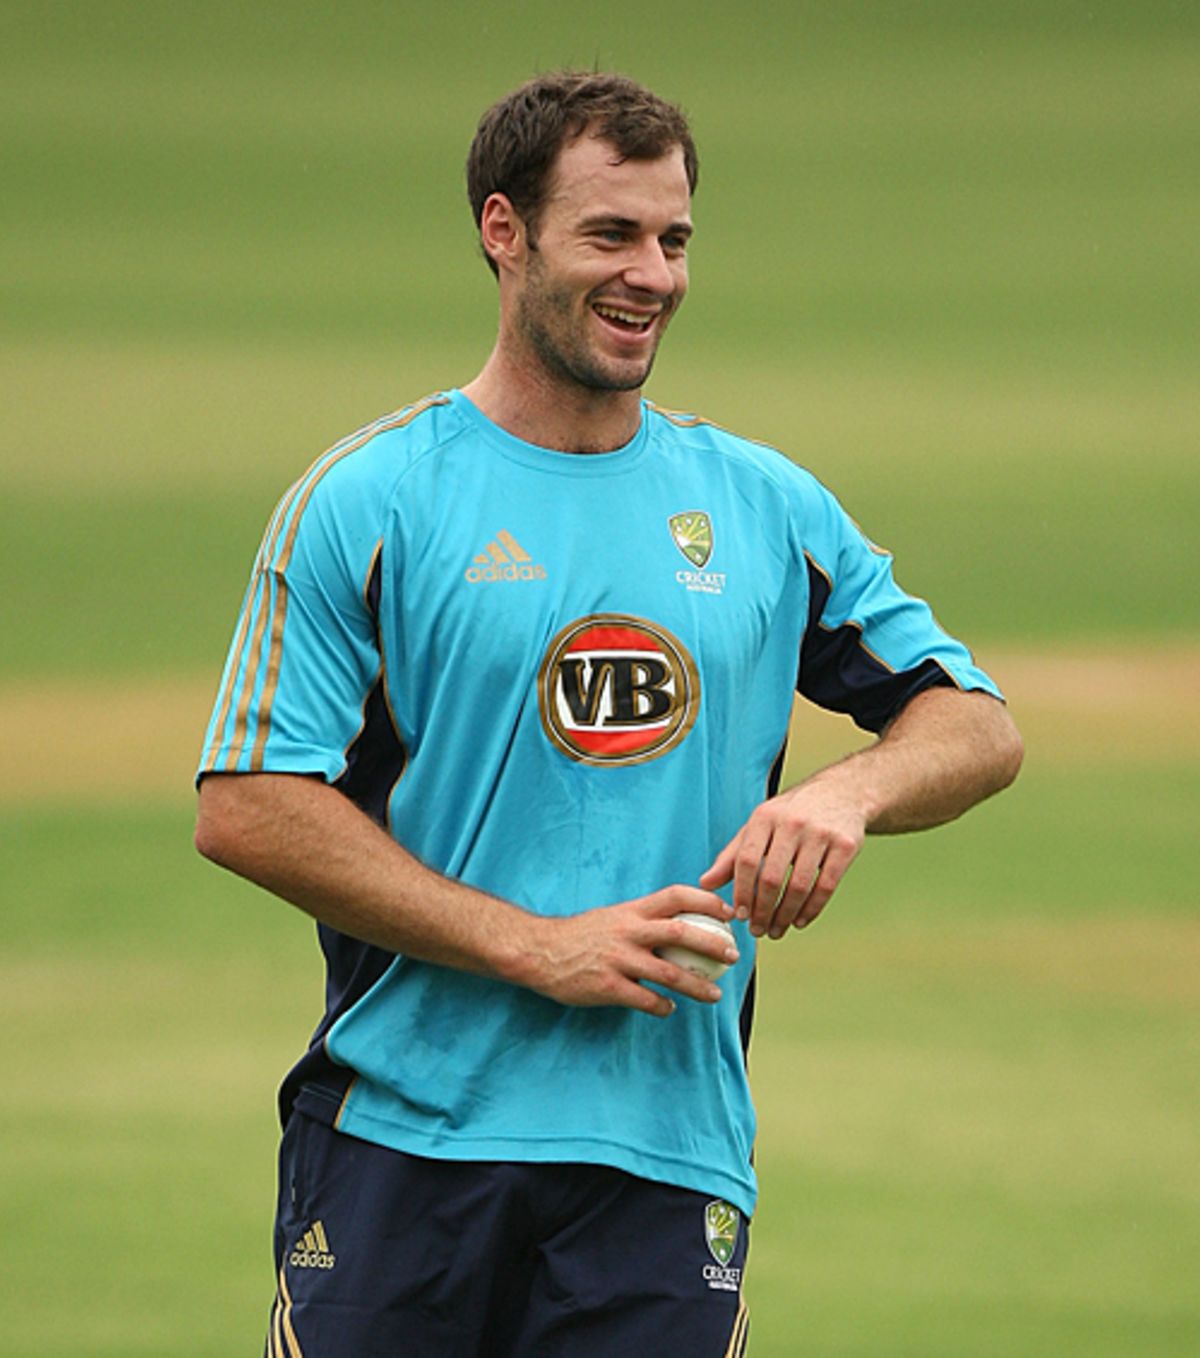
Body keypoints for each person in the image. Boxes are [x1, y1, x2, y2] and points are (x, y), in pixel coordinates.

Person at [195, 69, 1022, 1358]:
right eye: (611, 235)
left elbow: (974, 723)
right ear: (503, 232)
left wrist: (840, 792)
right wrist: (537, 946)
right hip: (404, 1137)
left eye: (674, 239)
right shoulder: (370, 503)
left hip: (666, 1150)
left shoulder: (763, 507)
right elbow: (247, 805)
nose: (653, 275)